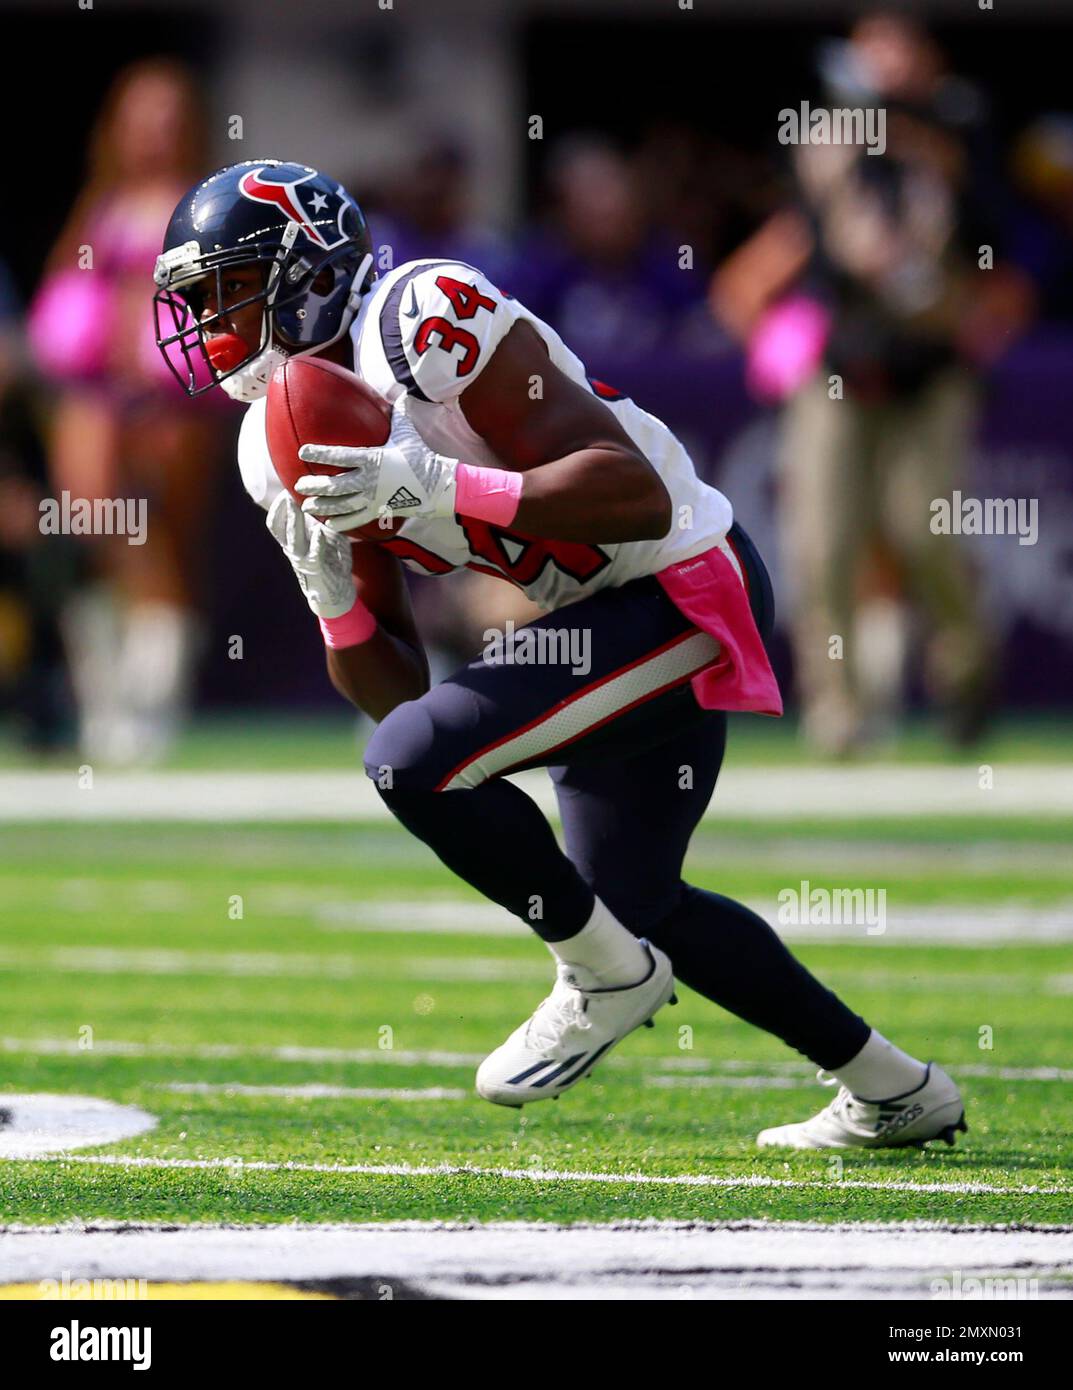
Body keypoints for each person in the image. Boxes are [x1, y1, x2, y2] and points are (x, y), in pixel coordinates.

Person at [152, 158, 966, 1149]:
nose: (208, 322)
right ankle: (894, 1087)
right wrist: (329, 584)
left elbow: (636, 494)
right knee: (638, 901)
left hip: (673, 578)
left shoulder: (418, 318)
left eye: (224, 289)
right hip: (587, 616)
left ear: (307, 270)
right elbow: (392, 680)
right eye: (195, 300)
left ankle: (600, 973)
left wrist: (443, 487)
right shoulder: (267, 437)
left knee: (419, 775)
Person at [711, 13, 1027, 755]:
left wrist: (925, 144)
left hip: (930, 367)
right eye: (869, 51)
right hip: (837, 370)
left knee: (926, 530)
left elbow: (993, 239)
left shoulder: (963, 129)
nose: (881, 65)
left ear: (926, 61)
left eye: (897, 51)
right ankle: (840, 715)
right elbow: (806, 226)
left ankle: (965, 673)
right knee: (823, 541)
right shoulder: (826, 134)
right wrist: (854, 137)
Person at [30, 59, 221, 765]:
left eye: (169, 119)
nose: (155, 133)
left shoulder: (203, 204)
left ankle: (153, 706)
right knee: (93, 535)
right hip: (97, 400)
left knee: (158, 544)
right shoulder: (101, 207)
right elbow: (63, 296)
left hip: (173, 405)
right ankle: (103, 704)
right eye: (142, 118)